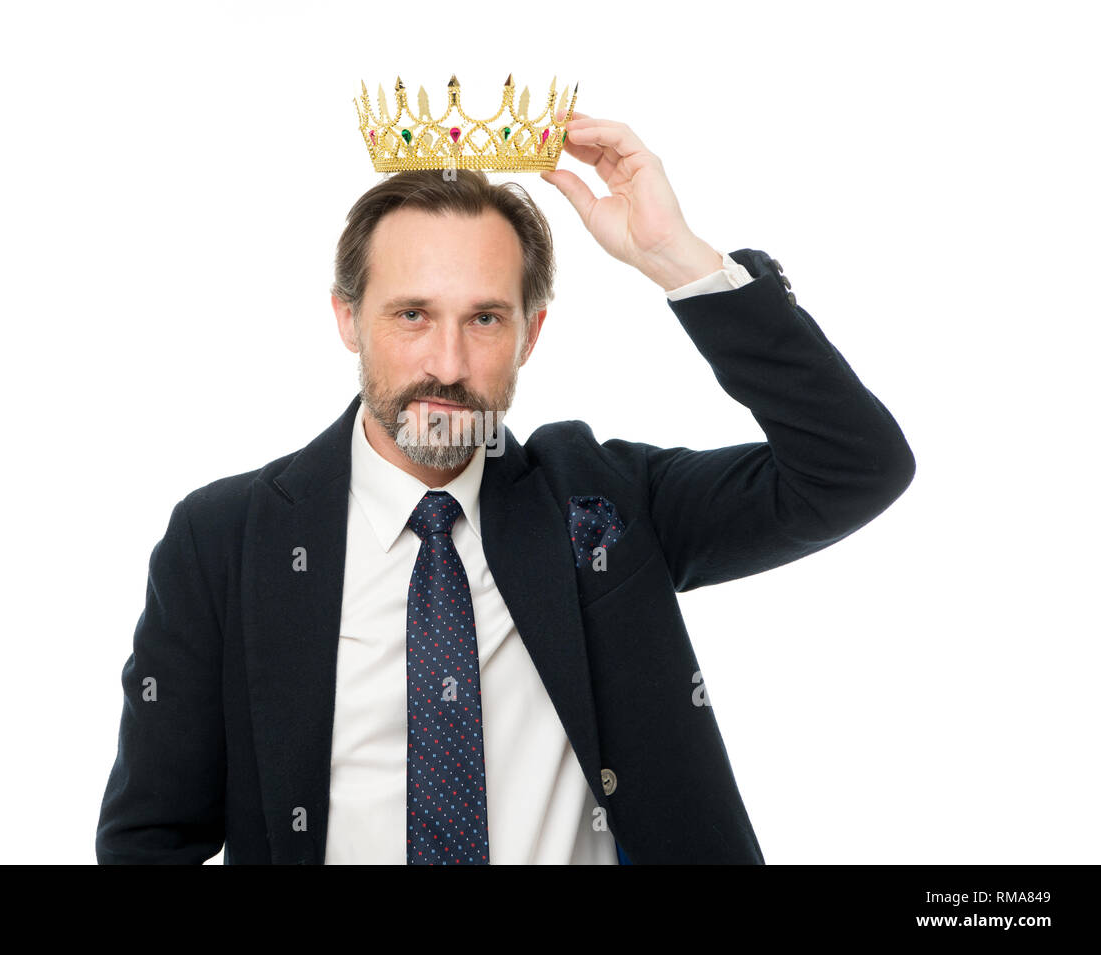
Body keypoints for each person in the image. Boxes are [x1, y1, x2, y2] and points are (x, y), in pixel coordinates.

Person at [95, 111, 915, 864]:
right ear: (348, 317)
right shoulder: (225, 540)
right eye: (412, 314)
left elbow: (852, 466)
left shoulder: (604, 504)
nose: (447, 366)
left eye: (485, 318)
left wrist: (679, 260)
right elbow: (150, 839)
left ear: (532, 331)